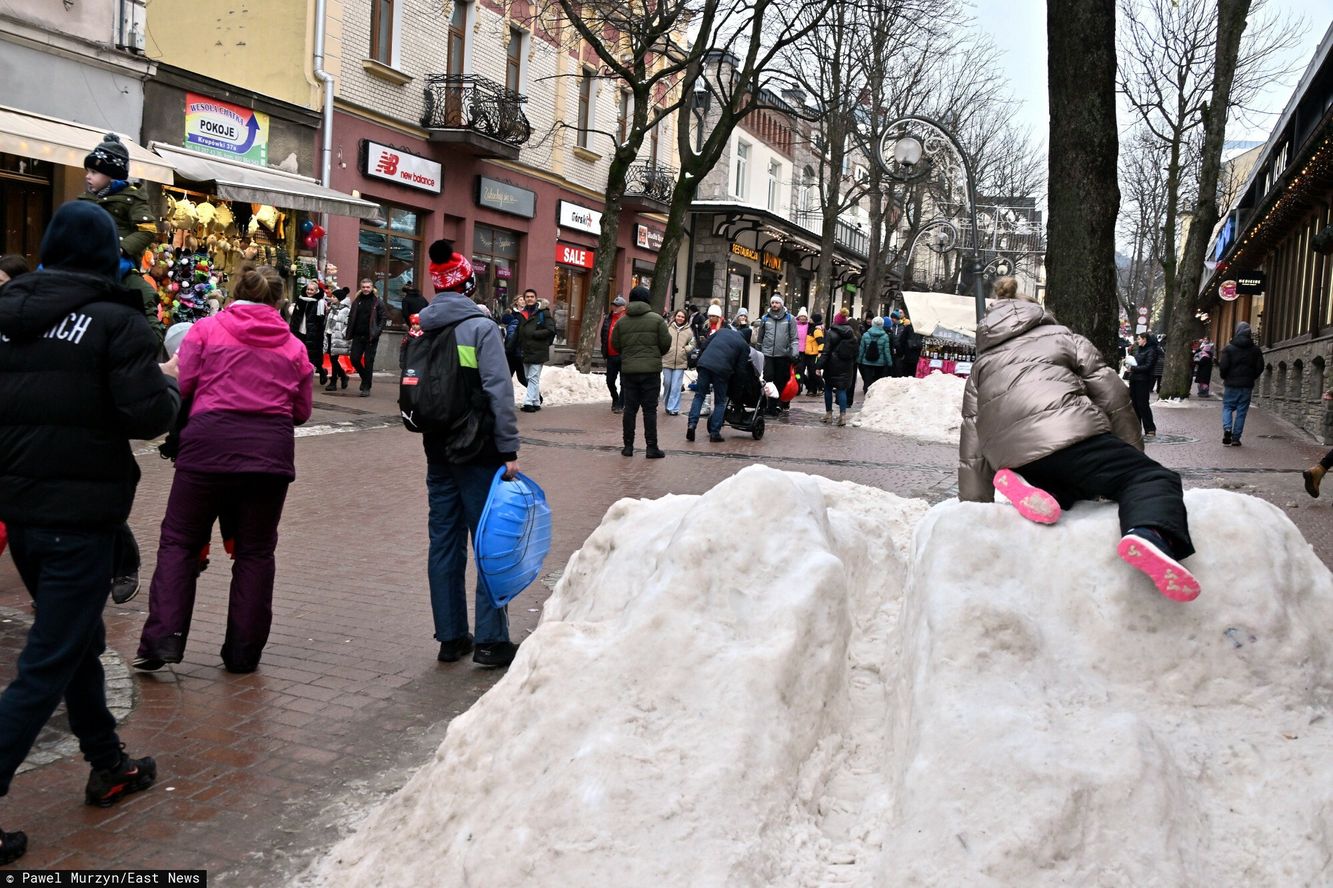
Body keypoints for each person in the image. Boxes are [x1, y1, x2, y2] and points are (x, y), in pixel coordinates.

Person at [0, 201, 181, 862]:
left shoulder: (9, 317)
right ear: (109, 255)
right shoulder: (117, 323)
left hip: (22, 512)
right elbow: (145, 416)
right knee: (47, 661)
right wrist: (172, 395)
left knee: (77, 641)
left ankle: (109, 765)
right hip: (79, 519)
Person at [959, 277, 1199, 602]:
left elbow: (971, 433)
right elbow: (1113, 397)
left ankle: (1045, 491)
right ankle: (1150, 534)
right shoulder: (1064, 337)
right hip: (1067, 431)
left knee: (1075, 480)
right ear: (1037, 312)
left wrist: (975, 507)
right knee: (1151, 478)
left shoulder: (983, 363)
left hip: (1010, 454)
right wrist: (1131, 455)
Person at [135, 265, 313, 674]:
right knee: (255, 551)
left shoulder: (205, 331)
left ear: (235, 292)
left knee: (180, 541)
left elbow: (182, 387)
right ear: (279, 301)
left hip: (207, 449)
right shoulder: (294, 347)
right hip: (269, 454)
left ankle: (162, 641)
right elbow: (301, 411)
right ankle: (243, 654)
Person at [418, 242, 523, 667]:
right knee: (489, 543)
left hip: (436, 449)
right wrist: (508, 448)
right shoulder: (480, 328)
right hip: (478, 450)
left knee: (443, 542)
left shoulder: (420, 326)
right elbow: (499, 391)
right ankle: (491, 640)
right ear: (468, 283)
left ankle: (450, 637)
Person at [78, 133, 163, 343]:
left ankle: (152, 348)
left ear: (112, 174)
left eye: (94, 171)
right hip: (86, 262)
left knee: (145, 295)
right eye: (88, 171)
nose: (88, 176)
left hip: (120, 265)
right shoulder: (84, 200)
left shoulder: (133, 197)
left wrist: (121, 248)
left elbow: (147, 230)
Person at [612, 286, 671, 458]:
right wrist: (654, 354)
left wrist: (629, 353)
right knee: (649, 410)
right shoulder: (657, 320)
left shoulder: (622, 321)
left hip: (629, 371)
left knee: (630, 409)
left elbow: (615, 344)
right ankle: (651, 447)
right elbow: (666, 343)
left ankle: (628, 446)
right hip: (651, 371)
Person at [686, 322, 751, 443]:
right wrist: (738, 388)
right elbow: (741, 370)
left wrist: (700, 360)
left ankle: (692, 425)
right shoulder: (744, 345)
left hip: (705, 365)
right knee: (720, 402)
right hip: (722, 371)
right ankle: (715, 433)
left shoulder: (721, 331)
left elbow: (704, 345)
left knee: (699, 396)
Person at [1218, 321, 1264, 447]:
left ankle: (1227, 429)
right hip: (1246, 385)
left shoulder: (1229, 349)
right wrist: (1252, 377)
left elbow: (1223, 366)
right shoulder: (1255, 350)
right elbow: (1260, 367)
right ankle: (1236, 438)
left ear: (1237, 332)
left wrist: (1224, 377)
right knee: (1241, 412)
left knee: (1227, 407)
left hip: (1231, 384)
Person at [755, 295, 800, 415]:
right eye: (773, 302)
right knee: (768, 380)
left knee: (780, 380)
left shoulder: (790, 319)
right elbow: (760, 337)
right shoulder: (765, 319)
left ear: (781, 304)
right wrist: (758, 351)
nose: (774, 305)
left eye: (777, 303)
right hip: (768, 354)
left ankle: (777, 404)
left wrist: (794, 353)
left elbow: (794, 338)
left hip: (783, 355)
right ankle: (769, 406)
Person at [515, 288, 556, 413]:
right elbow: (518, 332)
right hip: (526, 350)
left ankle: (528, 403)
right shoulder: (522, 314)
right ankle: (536, 401)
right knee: (529, 377)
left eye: (532, 296)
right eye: (527, 297)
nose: (529, 298)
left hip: (539, 350)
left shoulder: (544, 313)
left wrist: (534, 333)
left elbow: (551, 330)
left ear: (536, 298)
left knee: (532, 377)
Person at [347, 278, 387, 396]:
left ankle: (366, 388)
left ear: (372, 288)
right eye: (363, 287)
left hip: (371, 337)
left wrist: (377, 332)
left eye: (368, 287)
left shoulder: (377, 302)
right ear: (361, 288)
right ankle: (365, 378)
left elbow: (383, 318)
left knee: (369, 362)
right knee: (354, 359)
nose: (365, 289)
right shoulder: (357, 301)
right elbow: (351, 316)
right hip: (358, 335)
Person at [819, 313, 858, 425]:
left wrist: (819, 366)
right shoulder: (852, 334)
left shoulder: (831, 333)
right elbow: (856, 352)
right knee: (842, 390)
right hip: (846, 366)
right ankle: (842, 416)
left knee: (828, 388)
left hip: (832, 365)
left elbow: (826, 351)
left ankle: (829, 414)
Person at [289, 278, 328, 386]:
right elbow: (295, 318)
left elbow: (321, 321)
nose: (309, 292)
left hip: (313, 333)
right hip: (300, 331)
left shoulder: (319, 303)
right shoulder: (300, 300)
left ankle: (321, 371)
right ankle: (303, 378)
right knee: (300, 355)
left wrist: (319, 335)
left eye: (312, 290)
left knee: (313, 356)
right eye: (308, 289)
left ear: (316, 291)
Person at [1128, 332, 1161, 440]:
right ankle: (1136, 428)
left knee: (1143, 405)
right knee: (1135, 405)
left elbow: (1148, 366)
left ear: (1145, 339)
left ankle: (1150, 428)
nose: (1138, 341)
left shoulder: (1151, 350)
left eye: (1139, 339)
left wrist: (1133, 369)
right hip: (1134, 380)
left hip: (1143, 380)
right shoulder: (1139, 350)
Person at [662, 309, 694, 416]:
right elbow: (661, 340)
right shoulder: (668, 328)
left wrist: (685, 349)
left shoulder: (689, 331)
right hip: (667, 360)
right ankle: (667, 405)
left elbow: (692, 344)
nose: (680, 318)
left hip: (680, 362)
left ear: (685, 319)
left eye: (682, 317)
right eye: (678, 316)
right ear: (675, 316)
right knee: (667, 384)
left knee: (676, 386)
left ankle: (674, 408)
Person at [601, 295, 628, 413]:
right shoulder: (608, 318)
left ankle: (621, 404)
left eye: (617, 306)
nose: (614, 307)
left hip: (624, 355)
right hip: (611, 355)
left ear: (623, 307)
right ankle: (615, 398)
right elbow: (604, 334)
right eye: (613, 305)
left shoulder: (627, 318)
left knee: (624, 382)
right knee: (610, 381)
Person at [323, 287, 352, 391]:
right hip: (330, 334)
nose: (332, 298)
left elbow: (347, 324)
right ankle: (343, 376)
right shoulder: (332, 307)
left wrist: (343, 335)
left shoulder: (346, 310)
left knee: (334, 358)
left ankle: (334, 381)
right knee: (332, 358)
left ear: (340, 298)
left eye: (334, 297)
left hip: (339, 337)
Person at [857, 316, 894, 392]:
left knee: (867, 382)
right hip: (880, 364)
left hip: (866, 362)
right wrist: (889, 363)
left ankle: (867, 397)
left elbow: (862, 349)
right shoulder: (885, 336)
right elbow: (886, 351)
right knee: (877, 382)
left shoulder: (865, 335)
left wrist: (859, 360)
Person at [499, 296, 528, 388]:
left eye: (524, 300)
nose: (523, 301)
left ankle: (536, 396)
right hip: (513, 348)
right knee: (512, 376)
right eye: (521, 299)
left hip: (518, 350)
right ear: (516, 302)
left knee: (518, 377)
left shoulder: (527, 312)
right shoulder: (511, 312)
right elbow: (504, 320)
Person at [891, 311, 923, 379]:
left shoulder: (908, 328)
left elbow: (901, 341)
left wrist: (901, 353)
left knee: (906, 374)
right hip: (918, 356)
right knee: (914, 373)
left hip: (907, 355)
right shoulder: (922, 331)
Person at [803, 311, 825, 394]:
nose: (810, 320)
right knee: (811, 372)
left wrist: (819, 353)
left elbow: (821, 342)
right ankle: (812, 389)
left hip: (814, 354)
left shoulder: (816, 330)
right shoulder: (811, 328)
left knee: (813, 372)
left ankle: (822, 386)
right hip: (809, 354)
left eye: (811, 318)